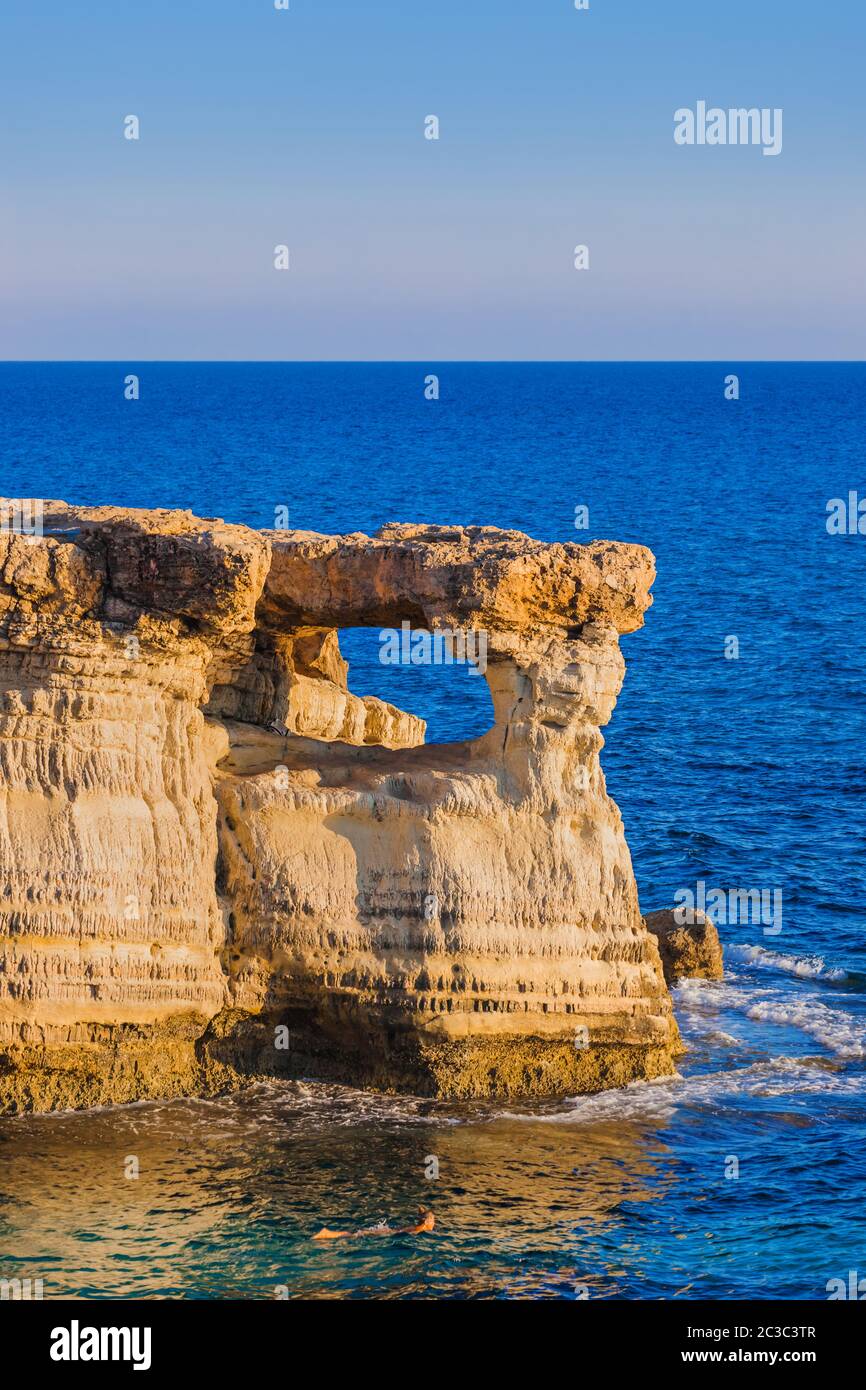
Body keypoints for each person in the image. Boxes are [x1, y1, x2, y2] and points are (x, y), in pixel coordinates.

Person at [312, 1208, 435, 1240]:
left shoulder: (418, 1227)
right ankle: (327, 1233)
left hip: (388, 1231)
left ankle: (328, 1233)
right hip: (387, 1234)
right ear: (428, 1221)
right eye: (433, 1220)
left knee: (357, 1234)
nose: (434, 1223)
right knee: (357, 1235)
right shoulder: (421, 1229)